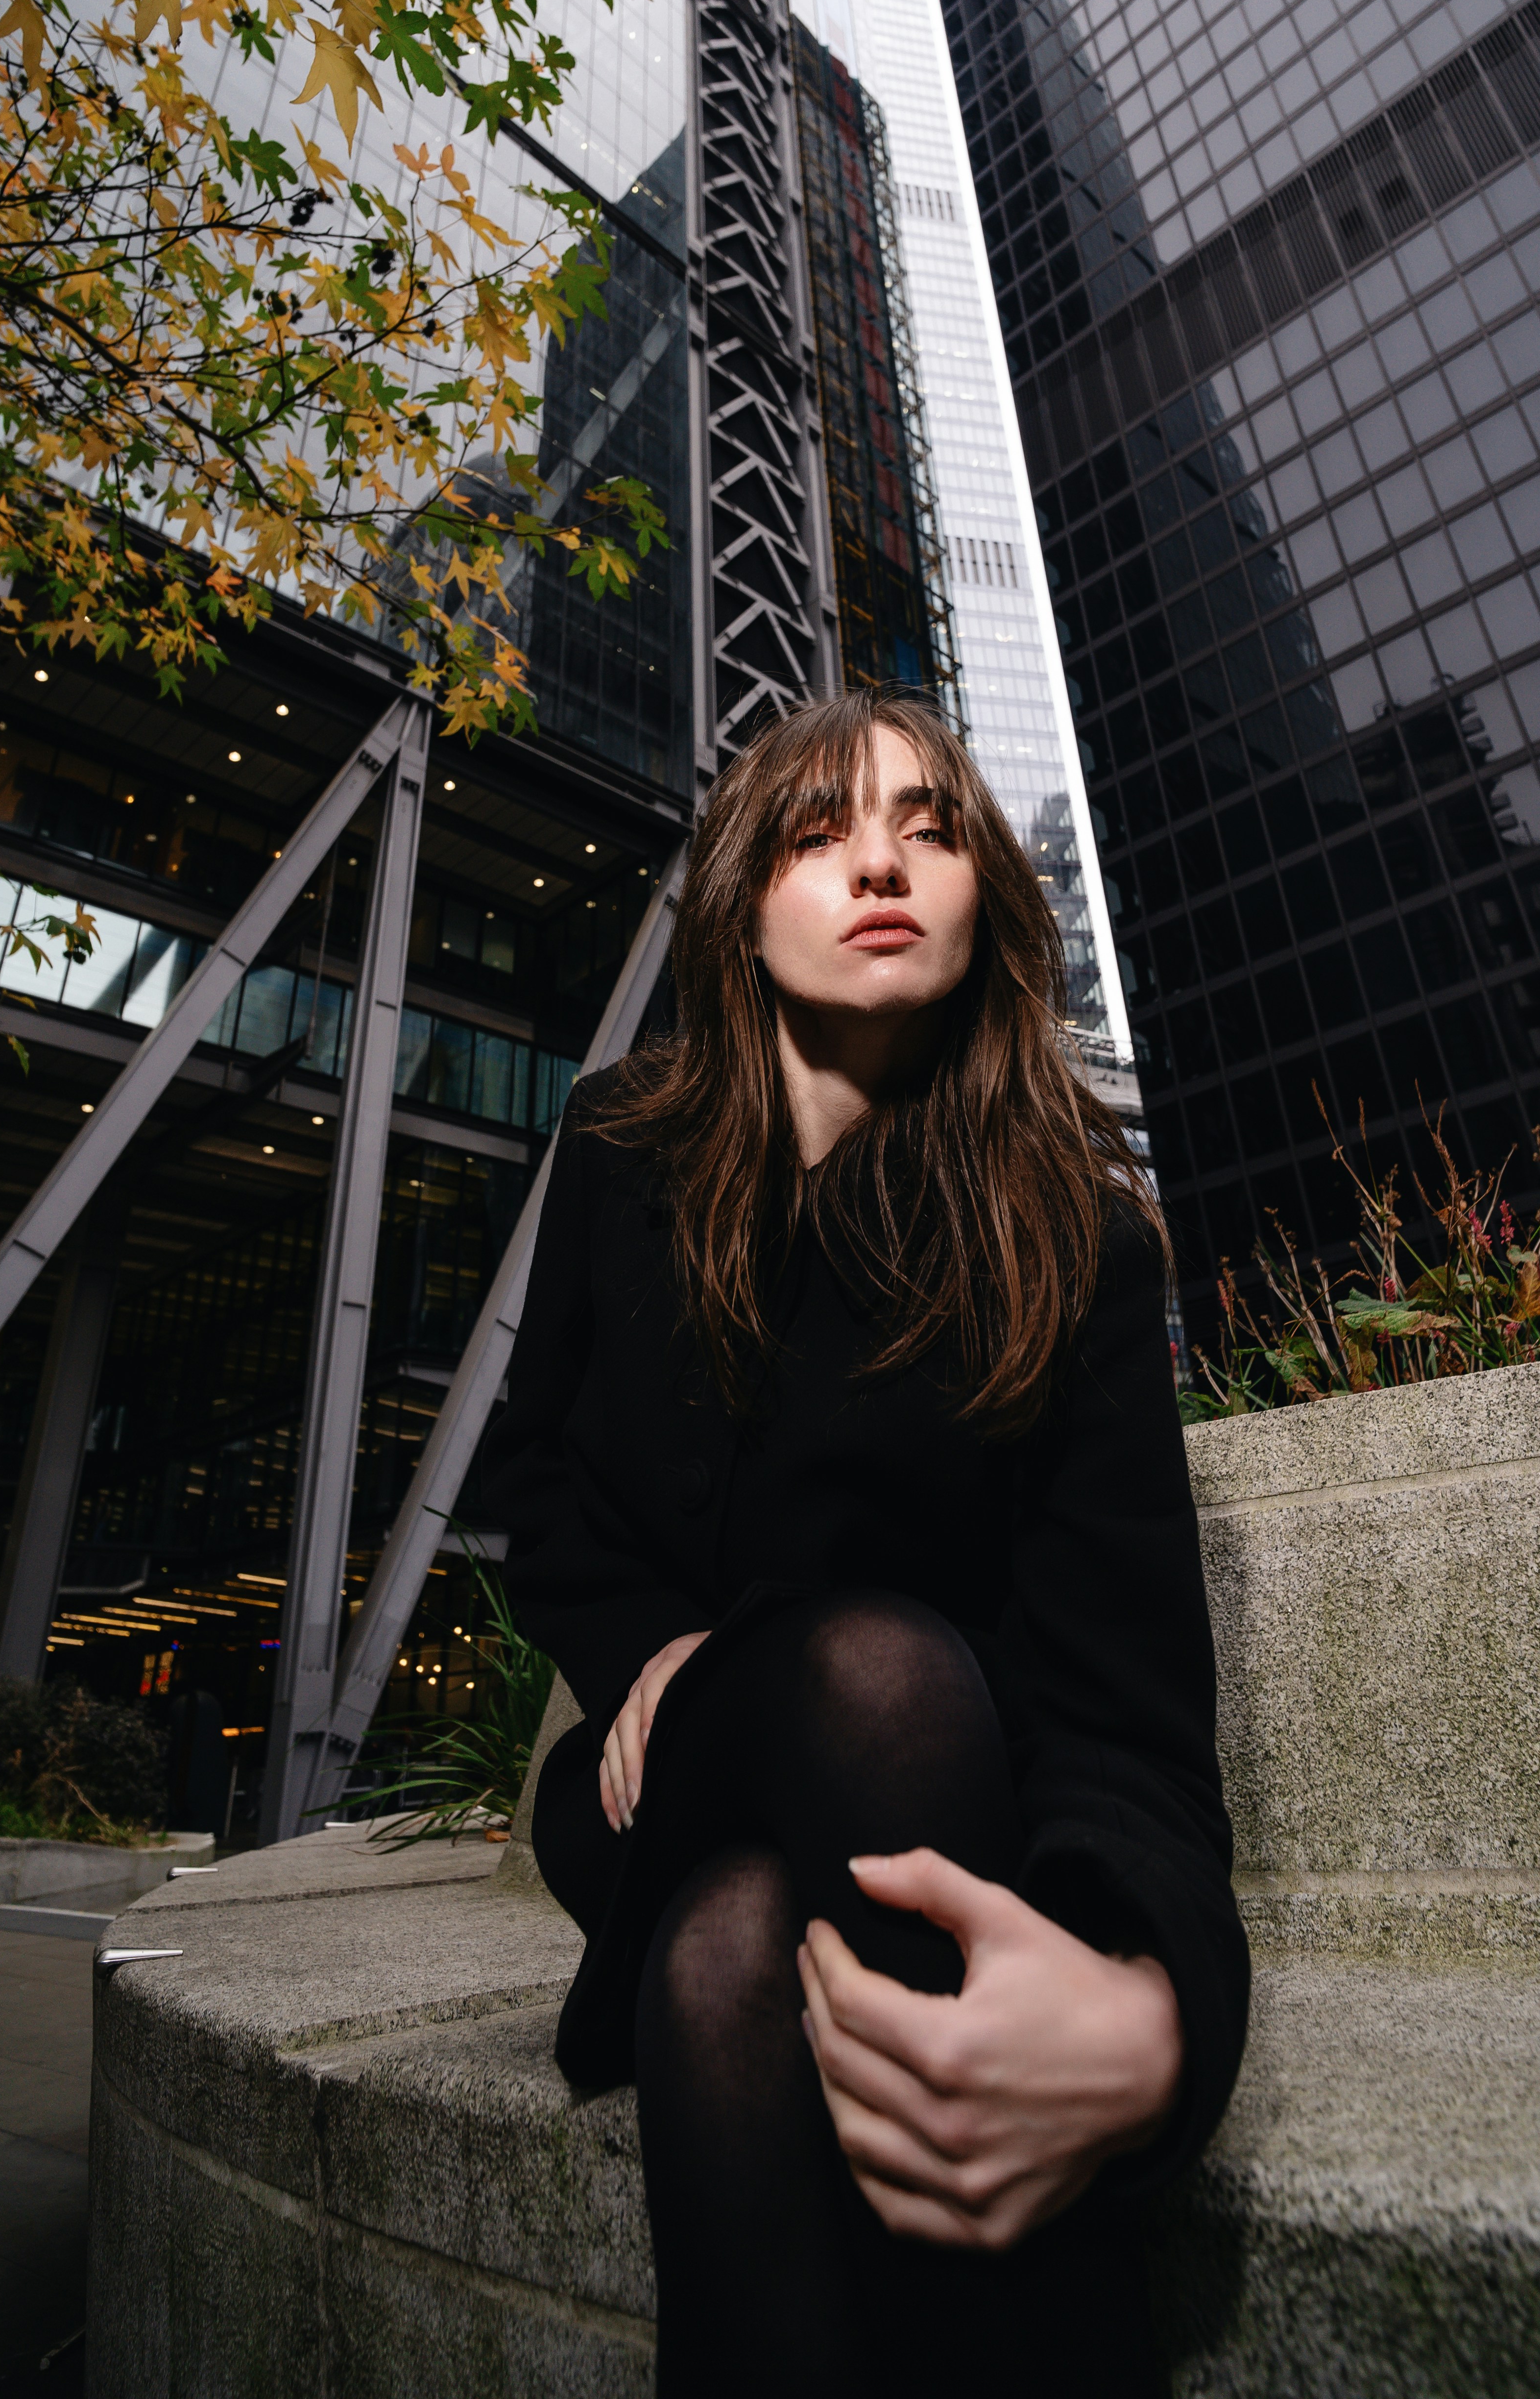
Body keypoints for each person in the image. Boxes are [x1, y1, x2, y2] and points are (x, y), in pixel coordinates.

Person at [481, 688, 1248, 2395]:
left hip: (931, 1798)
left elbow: (1124, 1695)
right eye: (819, 832)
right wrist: (650, 1658)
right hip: (653, 1765)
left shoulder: (1078, 1239)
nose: (881, 862)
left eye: (931, 825)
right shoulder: (621, 1148)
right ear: (746, 905)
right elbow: (539, 1480)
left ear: (988, 901)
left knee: (733, 1948)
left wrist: (1157, 2018)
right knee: (852, 1674)